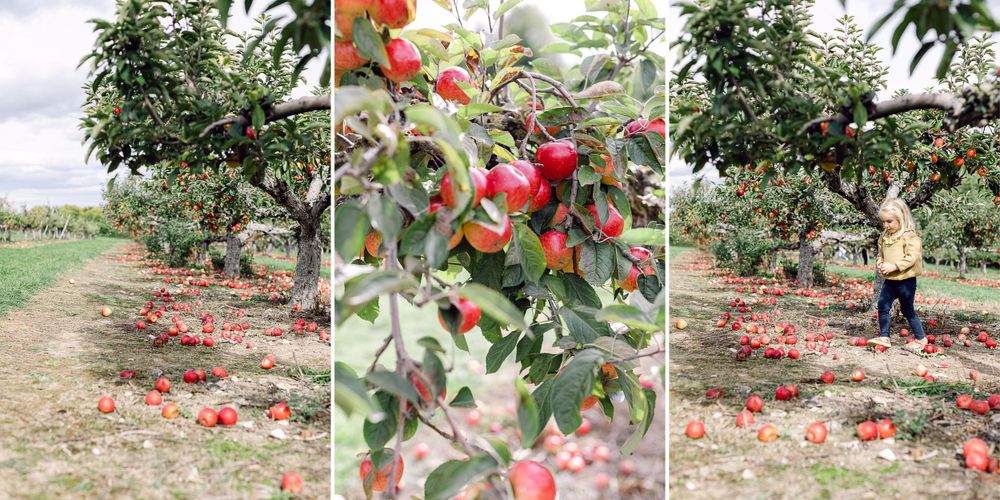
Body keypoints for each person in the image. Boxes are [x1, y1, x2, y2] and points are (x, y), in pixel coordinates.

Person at [868, 198, 926, 351]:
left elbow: (911, 258)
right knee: (882, 305)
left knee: (907, 309)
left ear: (901, 218)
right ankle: (884, 336)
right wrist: (880, 262)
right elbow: (880, 253)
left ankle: (921, 339)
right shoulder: (884, 236)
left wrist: (894, 266)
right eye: (884, 222)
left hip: (906, 281)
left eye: (889, 221)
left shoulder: (910, 236)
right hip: (891, 280)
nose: (885, 225)